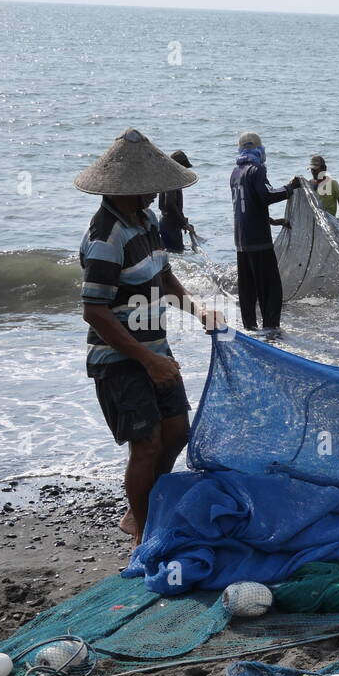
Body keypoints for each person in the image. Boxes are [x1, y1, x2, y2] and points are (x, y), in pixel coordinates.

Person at [74, 129, 218, 545]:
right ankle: (141, 531)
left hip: (156, 348)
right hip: (118, 358)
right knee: (148, 442)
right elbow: (94, 311)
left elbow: (164, 276)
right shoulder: (106, 238)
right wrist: (146, 360)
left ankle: (142, 508)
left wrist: (198, 310)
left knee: (176, 433)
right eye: (148, 189)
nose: (156, 194)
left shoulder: (146, 221)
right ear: (126, 190)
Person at [230, 131, 300, 333]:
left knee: (247, 287)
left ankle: (249, 327)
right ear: (259, 149)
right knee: (270, 287)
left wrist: (270, 219)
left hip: (241, 240)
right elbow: (265, 195)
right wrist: (289, 188)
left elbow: (246, 204)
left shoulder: (235, 172)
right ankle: (271, 328)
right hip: (258, 239)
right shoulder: (256, 169)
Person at [157, 150, 194, 253]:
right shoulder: (173, 179)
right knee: (176, 252)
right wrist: (183, 223)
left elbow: (168, 206)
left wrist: (183, 221)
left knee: (170, 254)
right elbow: (169, 204)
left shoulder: (167, 177)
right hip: (170, 226)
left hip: (167, 222)